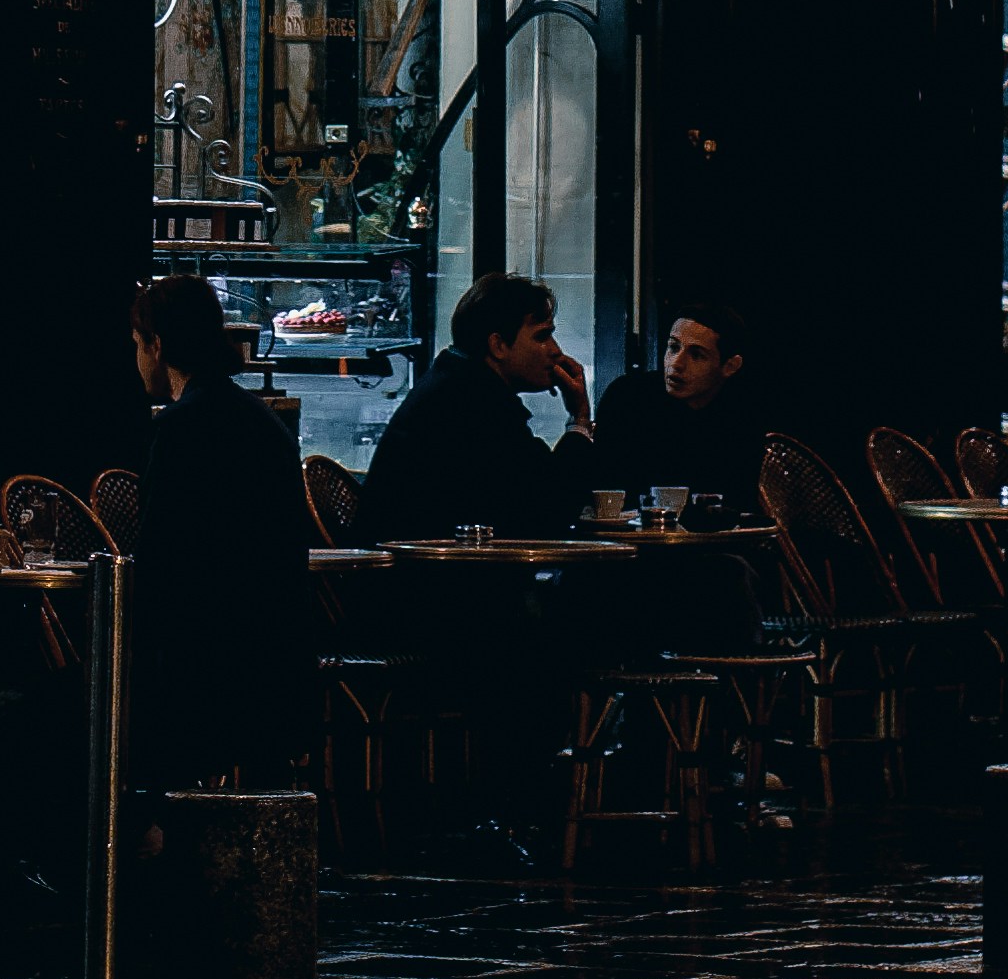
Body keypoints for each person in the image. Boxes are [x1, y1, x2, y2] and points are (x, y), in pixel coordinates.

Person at [123, 273, 318, 785]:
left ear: (158, 346)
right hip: (274, 665)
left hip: (200, 673)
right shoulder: (260, 419)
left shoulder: (181, 426)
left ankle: (120, 843)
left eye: (139, 345)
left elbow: (160, 563)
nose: (138, 359)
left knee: (17, 709)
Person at [362, 273, 584, 539]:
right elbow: (549, 506)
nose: (556, 350)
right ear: (498, 345)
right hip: (429, 574)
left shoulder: (458, 384)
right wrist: (580, 421)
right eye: (542, 337)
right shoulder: (475, 405)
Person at [589, 304, 767, 502]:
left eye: (697, 355)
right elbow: (602, 485)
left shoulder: (742, 417)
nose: (676, 363)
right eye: (673, 347)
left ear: (730, 366)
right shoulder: (629, 398)